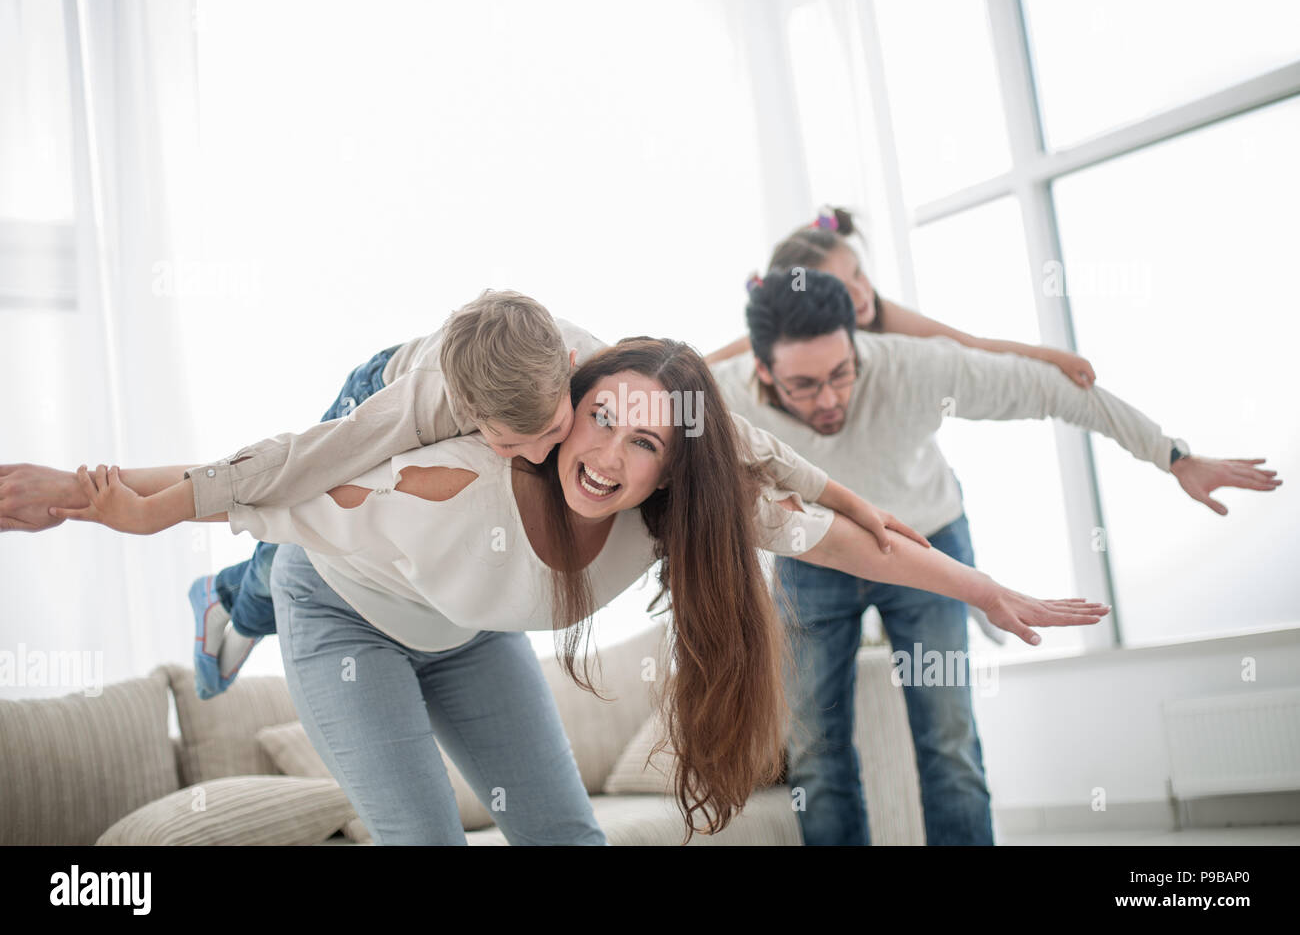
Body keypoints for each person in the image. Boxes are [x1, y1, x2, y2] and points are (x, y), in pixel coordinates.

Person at [55, 338, 1111, 845]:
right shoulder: (459, 463)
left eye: (644, 441)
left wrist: (983, 585)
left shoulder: (675, 508)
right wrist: (91, 492)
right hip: (339, 606)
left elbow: (855, 544)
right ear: (570, 402)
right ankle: (232, 605)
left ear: (670, 469)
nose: (606, 451)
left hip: (465, 633)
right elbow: (277, 476)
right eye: (600, 415)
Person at [0, 290, 922, 698]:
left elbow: (737, 438)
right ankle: (229, 613)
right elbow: (284, 471)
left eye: (553, 426)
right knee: (305, 534)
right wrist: (137, 506)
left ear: (572, 374)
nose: (553, 451)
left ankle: (239, 606)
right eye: (508, 445)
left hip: (501, 366)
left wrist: (844, 495)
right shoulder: (415, 409)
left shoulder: (601, 372)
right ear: (473, 420)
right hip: (375, 394)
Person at [710, 266, 1281, 846]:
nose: (829, 398)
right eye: (805, 385)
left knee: (947, 736)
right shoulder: (724, 396)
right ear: (762, 371)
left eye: (841, 373)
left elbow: (1052, 390)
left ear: (857, 345)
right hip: (815, 557)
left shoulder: (919, 367)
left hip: (927, 545)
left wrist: (1174, 455)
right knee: (813, 746)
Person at [705, 206, 1098, 390]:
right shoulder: (782, 341)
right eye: (842, 288)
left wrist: (1054, 357)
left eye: (858, 274)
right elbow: (703, 368)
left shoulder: (881, 314)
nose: (861, 294)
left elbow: (972, 345)